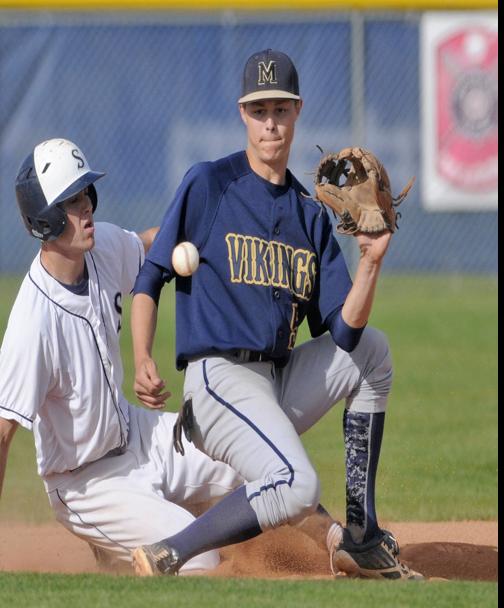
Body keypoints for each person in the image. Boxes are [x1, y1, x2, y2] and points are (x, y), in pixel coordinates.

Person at [130, 48, 422, 580]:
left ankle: (360, 532)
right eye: (259, 110)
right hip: (218, 380)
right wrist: (142, 356)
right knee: (299, 485)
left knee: (374, 351)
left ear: (297, 112)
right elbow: (150, 277)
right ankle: (171, 551)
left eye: (280, 110)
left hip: (276, 381)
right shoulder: (209, 184)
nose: (270, 123)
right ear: (243, 113)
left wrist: (370, 264)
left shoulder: (310, 216)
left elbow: (345, 333)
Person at [0, 138, 244, 574]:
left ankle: (341, 540)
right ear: (46, 220)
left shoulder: (103, 247)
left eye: (86, 194)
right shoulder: (32, 323)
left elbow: (150, 243)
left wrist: (205, 233)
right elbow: (2, 433)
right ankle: (122, 546)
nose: (86, 207)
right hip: (86, 484)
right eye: (71, 201)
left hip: (137, 435)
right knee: (199, 558)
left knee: (246, 453)